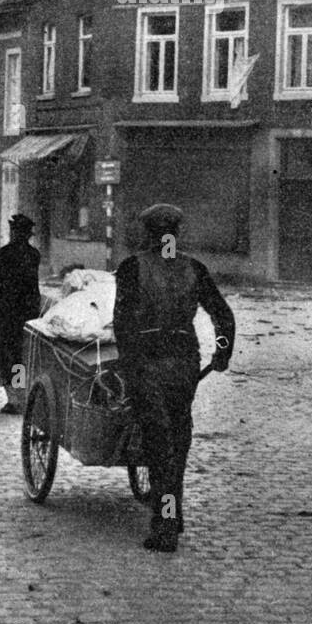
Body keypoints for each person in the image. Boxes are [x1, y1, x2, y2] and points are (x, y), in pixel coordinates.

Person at [112, 204, 235, 553]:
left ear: (148, 233)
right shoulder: (195, 269)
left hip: (148, 365)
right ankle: (173, 511)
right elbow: (223, 315)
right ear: (177, 233)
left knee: (159, 444)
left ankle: (165, 524)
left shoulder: (132, 268)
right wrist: (222, 352)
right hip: (184, 366)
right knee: (178, 440)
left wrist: (129, 365)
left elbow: (122, 324)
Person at [0, 213, 41, 414]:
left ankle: (13, 398)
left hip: (5, 313)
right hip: (26, 313)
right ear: (28, 235)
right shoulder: (34, 255)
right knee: (19, 356)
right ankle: (19, 396)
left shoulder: (3, 254)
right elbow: (33, 287)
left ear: (13, 232)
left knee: (2, 355)